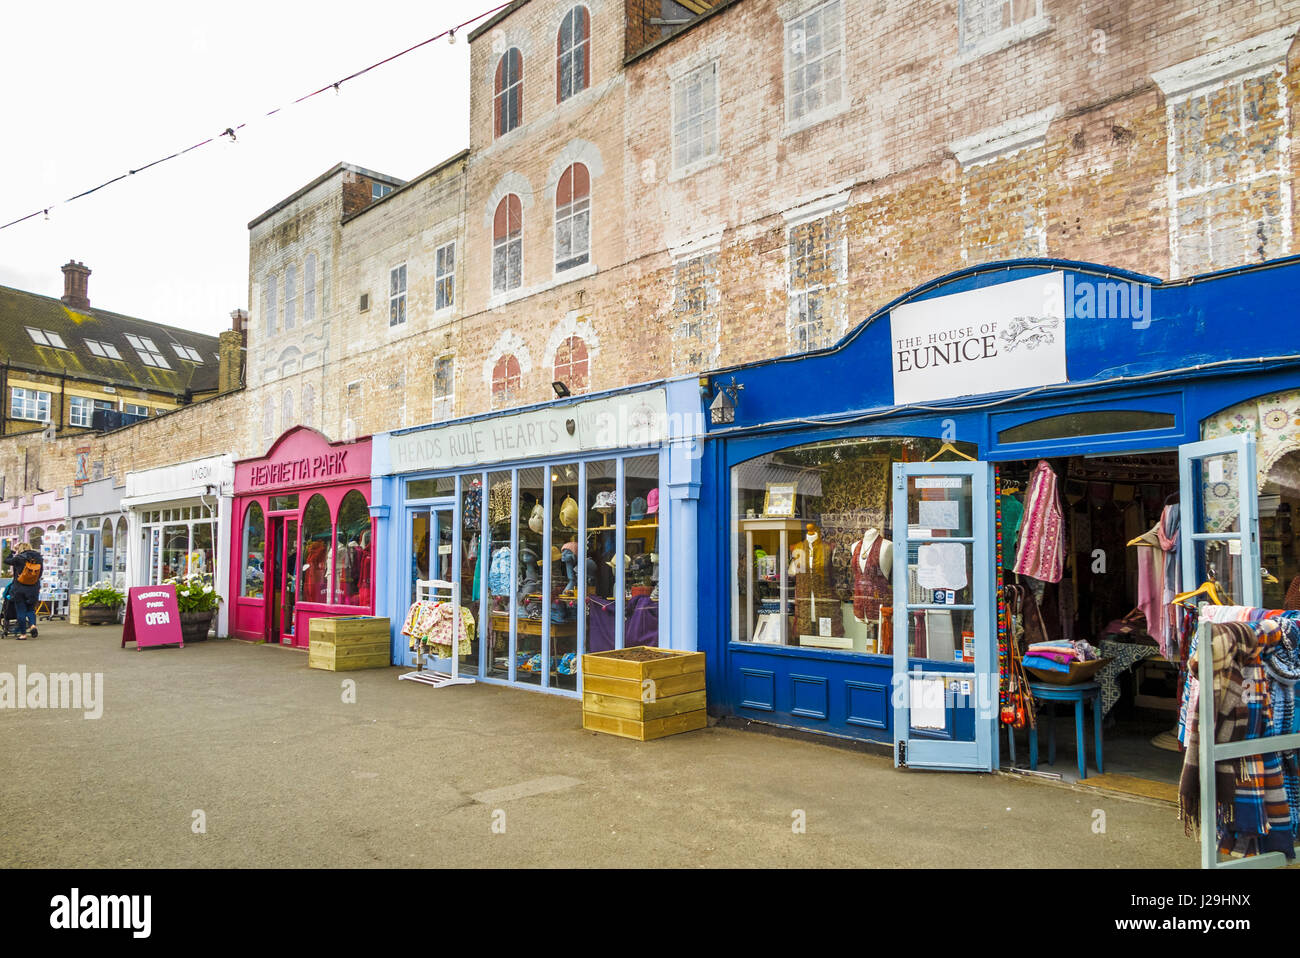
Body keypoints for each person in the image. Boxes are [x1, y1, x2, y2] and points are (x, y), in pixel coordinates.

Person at [6, 537, 44, 640]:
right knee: (31, 610)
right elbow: (40, 574)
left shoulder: (19, 558)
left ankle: (23, 634)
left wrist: (13, 550)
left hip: (19, 588)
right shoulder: (39, 559)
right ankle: (32, 626)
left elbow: (7, 561)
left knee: (21, 610)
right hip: (33, 588)